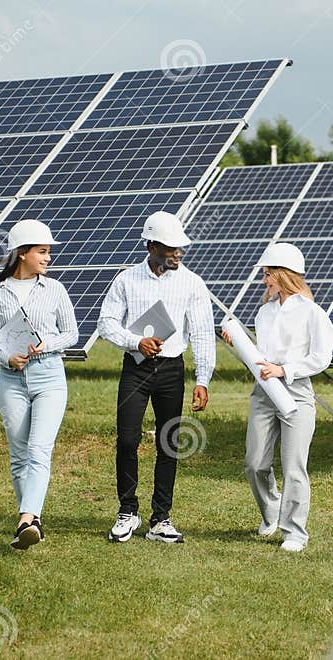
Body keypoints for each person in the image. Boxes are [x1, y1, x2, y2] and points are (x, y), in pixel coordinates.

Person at [98, 211, 215, 544]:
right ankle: (127, 512)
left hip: (172, 370)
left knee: (169, 444)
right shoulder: (126, 280)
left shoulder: (192, 283)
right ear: (151, 246)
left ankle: (160, 519)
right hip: (135, 368)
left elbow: (204, 333)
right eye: (170, 247)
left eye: (180, 247)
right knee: (127, 439)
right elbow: (106, 323)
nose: (178, 253)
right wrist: (136, 341)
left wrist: (202, 379)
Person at [222, 243, 333, 552]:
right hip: (263, 393)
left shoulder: (313, 313)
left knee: (293, 466)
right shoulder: (264, 312)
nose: (264, 281)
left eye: (268, 274)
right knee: (254, 462)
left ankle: (295, 532)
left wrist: (284, 370)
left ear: (284, 275)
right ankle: (271, 513)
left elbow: (321, 358)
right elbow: (261, 358)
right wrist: (239, 342)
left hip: (296, 393)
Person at [0, 219, 79, 550]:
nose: (48, 258)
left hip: (49, 375)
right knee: (19, 455)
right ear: (22, 254)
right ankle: (31, 522)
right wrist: (5, 358)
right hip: (11, 379)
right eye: (42, 252)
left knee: (38, 449)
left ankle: (27, 516)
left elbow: (71, 333)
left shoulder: (55, 289)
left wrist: (45, 345)